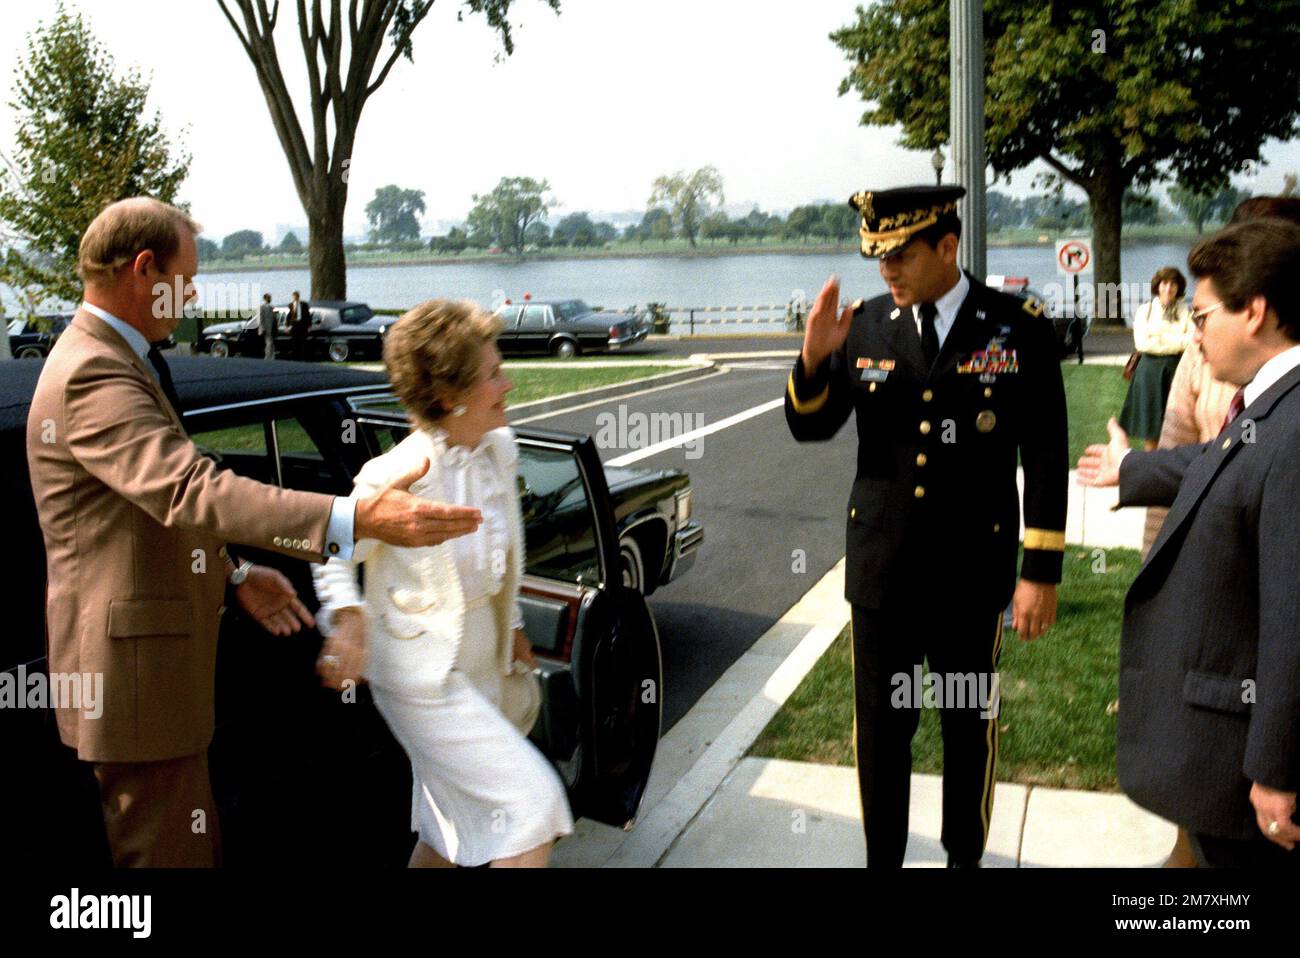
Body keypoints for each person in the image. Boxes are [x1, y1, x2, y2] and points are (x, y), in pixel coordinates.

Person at [26, 197, 483, 867]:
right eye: (189, 277)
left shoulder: (114, 358)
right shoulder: (94, 371)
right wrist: (353, 519)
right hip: (137, 690)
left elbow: (148, 506)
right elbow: (189, 489)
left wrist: (234, 574)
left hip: (149, 684)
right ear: (146, 268)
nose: (192, 296)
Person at [784, 185, 1068, 868]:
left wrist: (1041, 572)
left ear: (948, 246)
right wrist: (814, 361)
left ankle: (963, 859)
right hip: (883, 574)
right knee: (882, 735)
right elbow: (811, 427)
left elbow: (1049, 454)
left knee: (969, 730)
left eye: (900, 256)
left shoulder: (1017, 324)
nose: (886, 271)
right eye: (877, 257)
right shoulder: (868, 324)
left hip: (973, 575)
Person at [312, 299, 574, 868]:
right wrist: (348, 618)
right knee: (532, 808)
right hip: (420, 674)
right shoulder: (399, 472)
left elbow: (502, 557)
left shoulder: (500, 450)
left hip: (483, 662)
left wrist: (517, 626)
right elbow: (326, 542)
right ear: (449, 396)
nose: (507, 382)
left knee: (444, 831)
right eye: (492, 375)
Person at [1078, 217, 1300, 868]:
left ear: (1253, 312)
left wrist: (1275, 771)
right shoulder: (1275, 405)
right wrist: (1133, 469)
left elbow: (1292, 620)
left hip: (1255, 779)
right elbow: (1220, 457)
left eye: (1202, 317)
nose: (1195, 336)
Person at [1118, 268, 1194, 451]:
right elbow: (1143, 344)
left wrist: (1160, 339)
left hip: (1178, 370)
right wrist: (1177, 340)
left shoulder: (1185, 311)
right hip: (1149, 373)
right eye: (1165, 283)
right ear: (1158, 286)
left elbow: (1191, 340)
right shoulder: (1146, 310)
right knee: (1151, 428)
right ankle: (1150, 469)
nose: (1169, 289)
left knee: (1178, 424)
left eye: (1173, 284)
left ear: (1179, 288)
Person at [288, 290, 310, 360]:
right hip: (294, 325)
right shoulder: (290, 305)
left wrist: (309, 326)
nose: (295, 297)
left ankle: (303, 357)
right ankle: (295, 357)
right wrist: (287, 326)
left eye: (296, 296)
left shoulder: (304, 304)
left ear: (298, 296)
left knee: (303, 342)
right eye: (294, 296)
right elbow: (289, 316)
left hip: (302, 325)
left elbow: (307, 315)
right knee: (294, 342)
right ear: (293, 297)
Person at [257, 292, 276, 359]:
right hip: (266, 328)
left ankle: (272, 356)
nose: (270, 299)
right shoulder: (261, 307)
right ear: (265, 299)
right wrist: (262, 328)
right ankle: (268, 356)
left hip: (272, 328)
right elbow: (260, 318)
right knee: (269, 342)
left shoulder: (271, 307)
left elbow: (274, 318)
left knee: (271, 342)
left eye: (270, 298)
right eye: (268, 298)